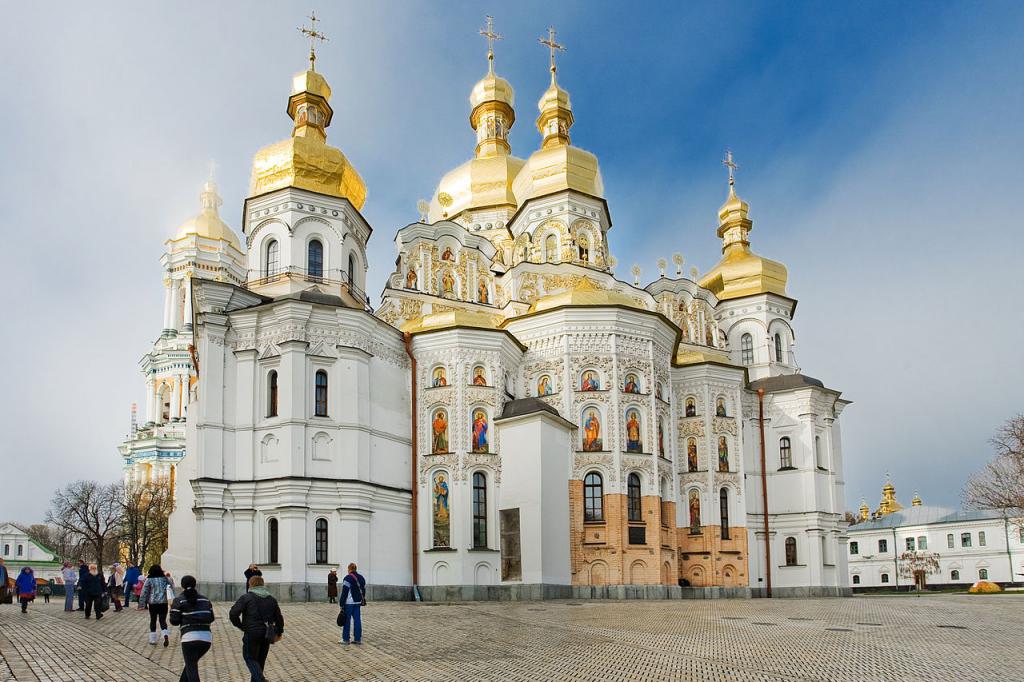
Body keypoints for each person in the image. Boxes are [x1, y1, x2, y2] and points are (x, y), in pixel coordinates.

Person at [229, 576, 283, 682]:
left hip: (251, 632)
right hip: (267, 633)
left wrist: (241, 626)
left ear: (250, 585)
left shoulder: (246, 598)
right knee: (260, 661)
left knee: (250, 658)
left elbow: (233, 614)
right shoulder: (271, 599)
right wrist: (279, 632)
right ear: (263, 585)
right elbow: (279, 618)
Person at [170, 575, 215, 682]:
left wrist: (172, 611)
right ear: (195, 584)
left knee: (192, 668)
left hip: (189, 638)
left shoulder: (179, 600)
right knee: (191, 665)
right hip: (206, 639)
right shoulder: (205, 599)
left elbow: (174, 621)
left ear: (182, 586)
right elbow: (211, 617)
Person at [139, 564, 173, 646]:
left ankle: (153, 639)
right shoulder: (165, 579)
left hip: (153, 603)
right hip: (163, 602)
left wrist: (141, 603)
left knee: (153, 620)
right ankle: (165, 635)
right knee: (162, 620)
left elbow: (144, 592)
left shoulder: (149, 579)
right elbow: (170, 587)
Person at [338, 563, 366, 645]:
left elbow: (344, 592)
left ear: (349, 569)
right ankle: (357, 639)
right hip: (357, 602)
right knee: (357, 620)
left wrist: (341, 603)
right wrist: (362, 599)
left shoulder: (348, 578)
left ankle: (346, 639)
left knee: (347, 620)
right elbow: (363, 590)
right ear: (355, 569)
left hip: (349, 602)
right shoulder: (361, 578)